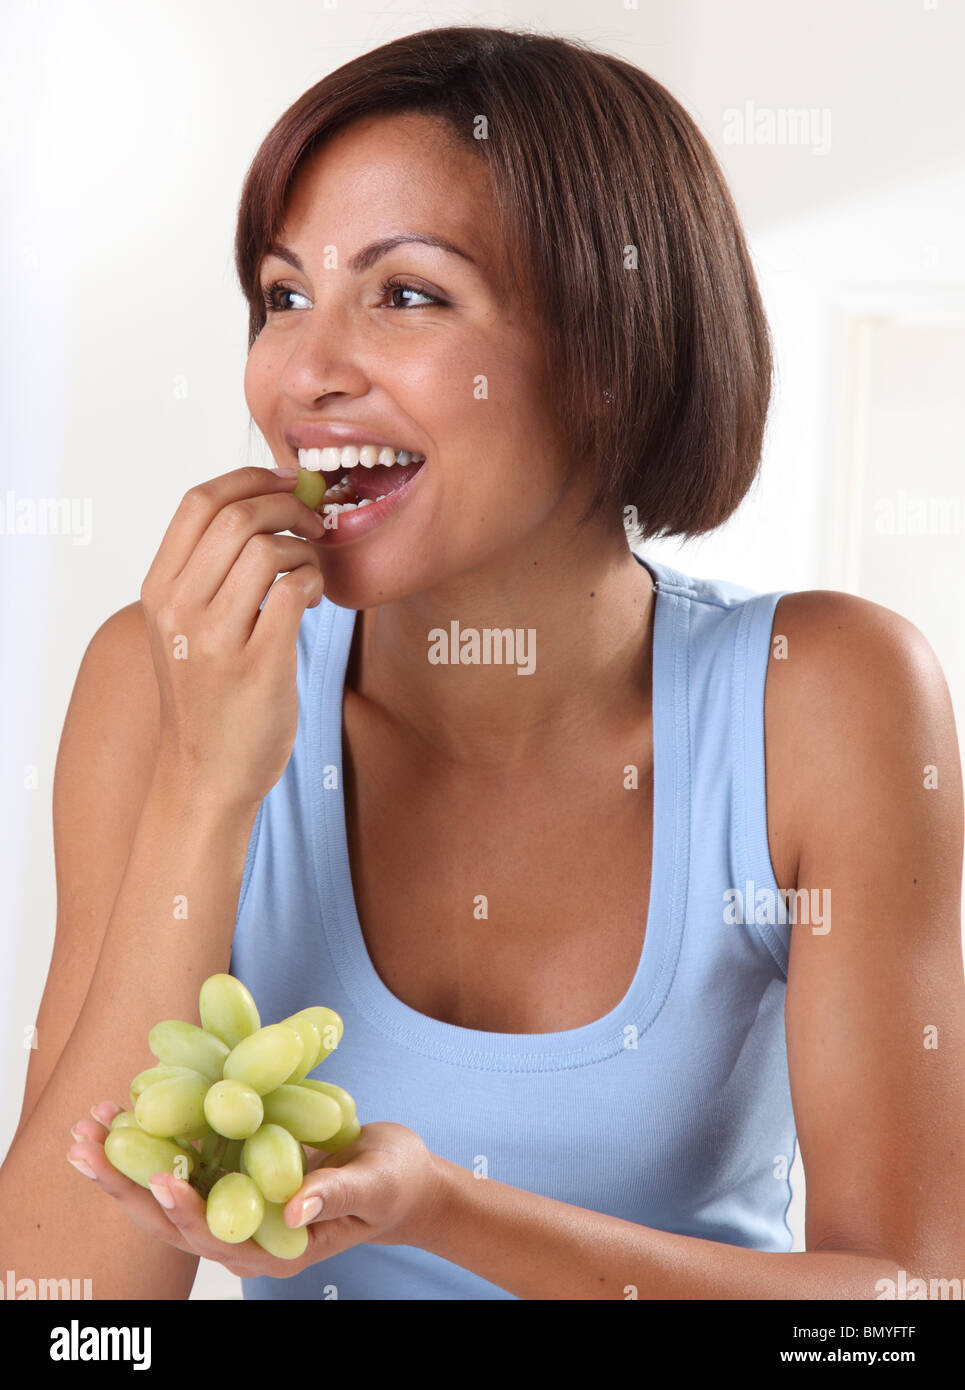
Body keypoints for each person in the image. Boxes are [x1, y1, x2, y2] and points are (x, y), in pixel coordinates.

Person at [4, 26, 963, 1301]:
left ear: (607, 357)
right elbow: (68, 1331)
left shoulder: (823, 695)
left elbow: (898, 1318)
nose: (302, 372)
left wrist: (451, 1211)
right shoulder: (163, 677)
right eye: (283, 296)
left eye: (405, 295)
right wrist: (202, 785)